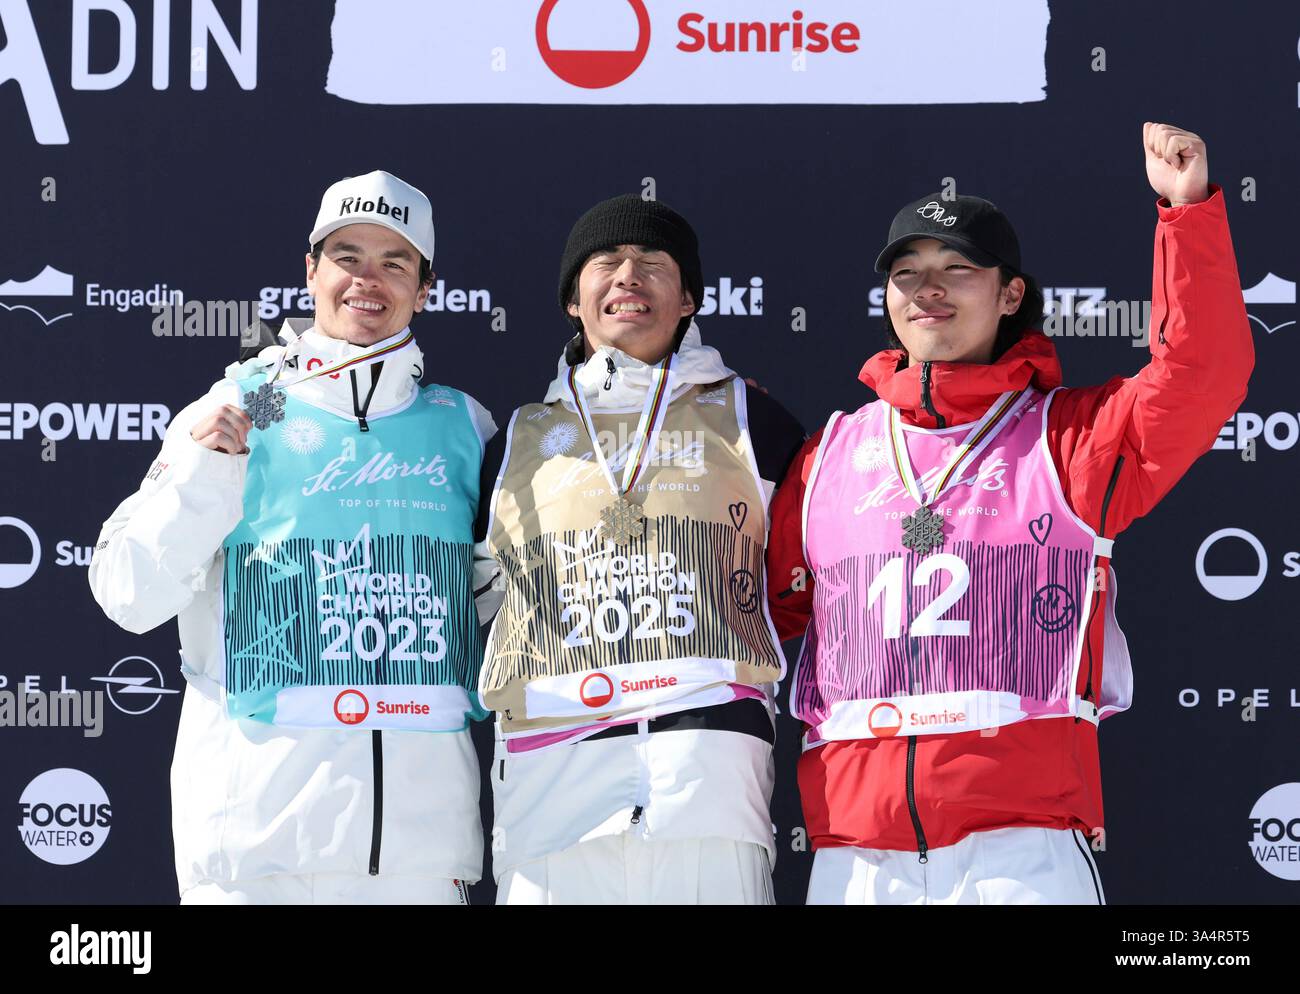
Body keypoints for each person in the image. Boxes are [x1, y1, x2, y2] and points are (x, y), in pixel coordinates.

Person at [766, 123, 1254, 904]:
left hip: (1019, 850)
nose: (928, 289)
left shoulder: (1072, 437)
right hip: (854, 858)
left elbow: (1204, 374)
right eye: (908, 272)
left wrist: (1185, 212)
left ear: (1010, 294)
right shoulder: (829, 455)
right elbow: (762, 610)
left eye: (958, 270)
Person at [88, 170, 497, 905]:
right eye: (347, 256)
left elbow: (497, 619)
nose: (367, 280)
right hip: (257, 849)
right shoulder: (238, 404)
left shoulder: (465, 427)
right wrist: (203, 479)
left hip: (419, 858)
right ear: (311, 270)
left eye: (394, 261)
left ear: (425, 288)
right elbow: (127, 594)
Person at [475, 194, 806, 903]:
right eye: (607, 262)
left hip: (707, 787)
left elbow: (803, 585)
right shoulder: (513, 442)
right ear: (574, 299)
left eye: (653, 264)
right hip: (551, 795)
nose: (629, 276)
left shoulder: (756, 419)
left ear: (687, 298)